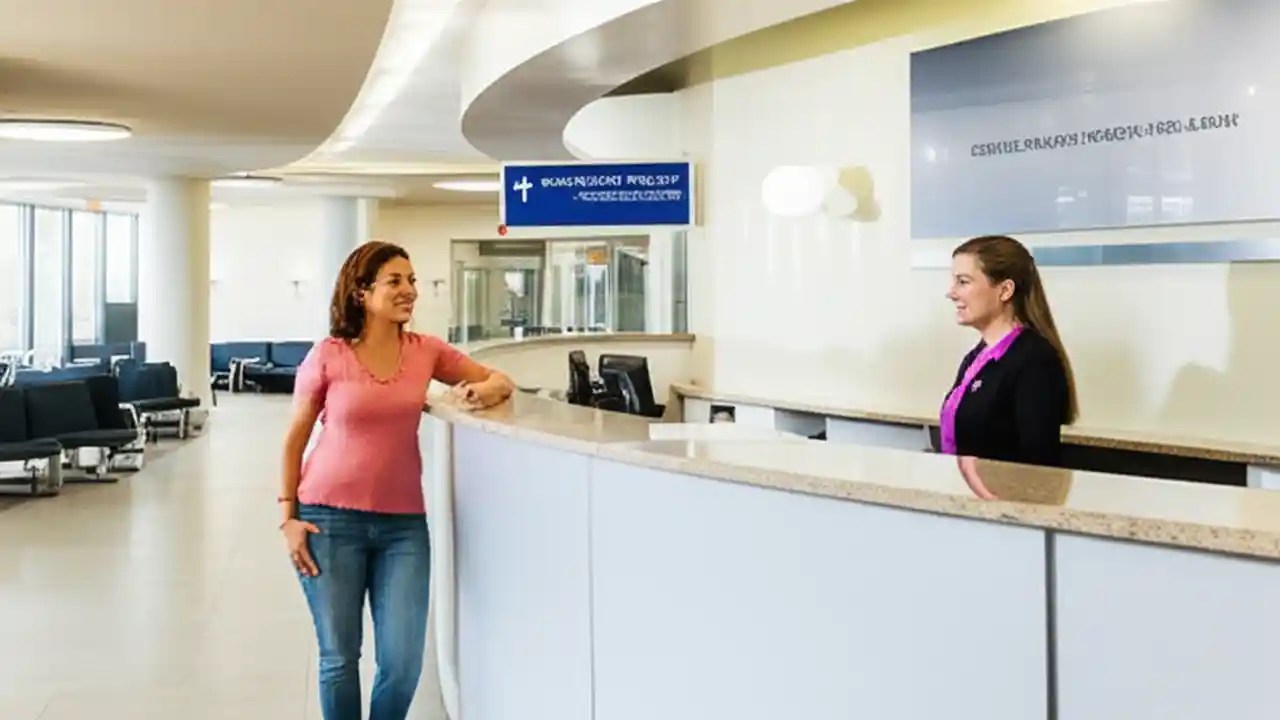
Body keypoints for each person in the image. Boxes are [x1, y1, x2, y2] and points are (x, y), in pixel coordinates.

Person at [279, 240, 513, 720]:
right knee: (339, 658)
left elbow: (499, 378)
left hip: (402, 527)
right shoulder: (328, 354)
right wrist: (288, 518)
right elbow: (294, 438)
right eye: (395, 281)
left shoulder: (426, 352)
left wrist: (481, 390)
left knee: (403, 663)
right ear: (361, 292)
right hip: (327, 520)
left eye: (411, 281)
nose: (409, 291)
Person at [940, 235, 1077, 467]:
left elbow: (1039, 465)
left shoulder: (1035, 360)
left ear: (1005, 290)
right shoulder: (976, 358)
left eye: (963, 282)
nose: (951, 293)